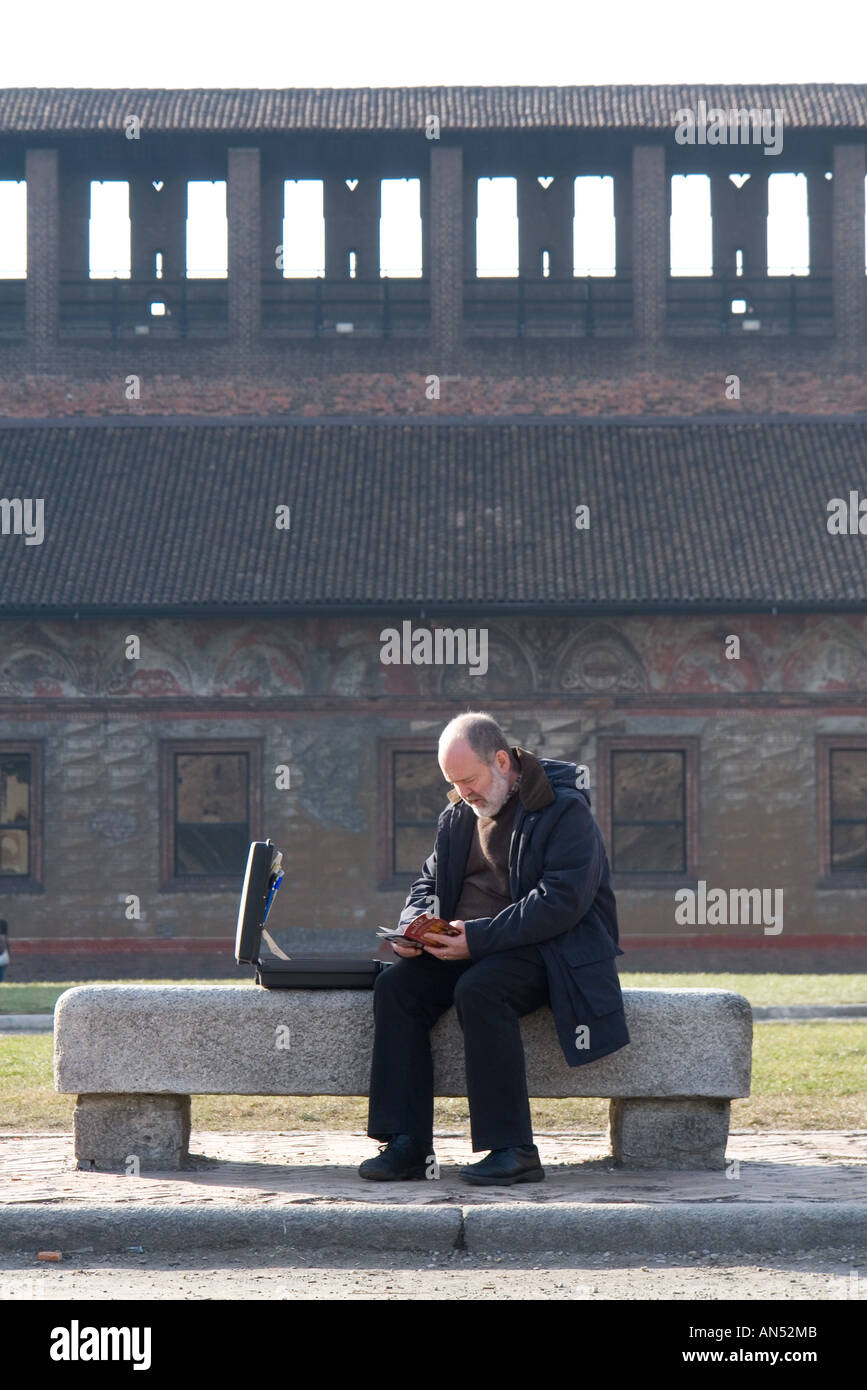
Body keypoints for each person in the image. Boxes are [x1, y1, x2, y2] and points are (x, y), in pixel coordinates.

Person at [360, 711, 629, 1187]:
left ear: (502, 761)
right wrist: (413, 929)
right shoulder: (459, 815)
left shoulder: (564, 809)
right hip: (469, 944)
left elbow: (560, 903)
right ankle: (406, 1145)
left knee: (481, 989)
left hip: (549, 952)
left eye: (469, 779)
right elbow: (427, 882)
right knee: (397, 985)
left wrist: (478, 939)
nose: (464, 792)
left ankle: (514, 1150)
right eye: (454, 783)